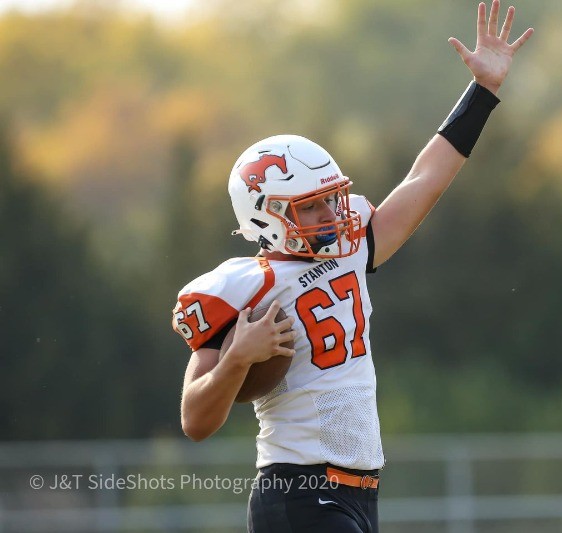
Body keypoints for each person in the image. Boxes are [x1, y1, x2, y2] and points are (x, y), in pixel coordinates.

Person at [171, 1, 533, 531]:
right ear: (266, 214)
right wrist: (235, 360)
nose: (331, 213)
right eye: (311, 205)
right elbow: (194, 421)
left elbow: (423, 181)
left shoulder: (349, 249)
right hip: (297, 487)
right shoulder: (248, 286)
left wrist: (483, 92)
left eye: (330, 198)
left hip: (361, 490)